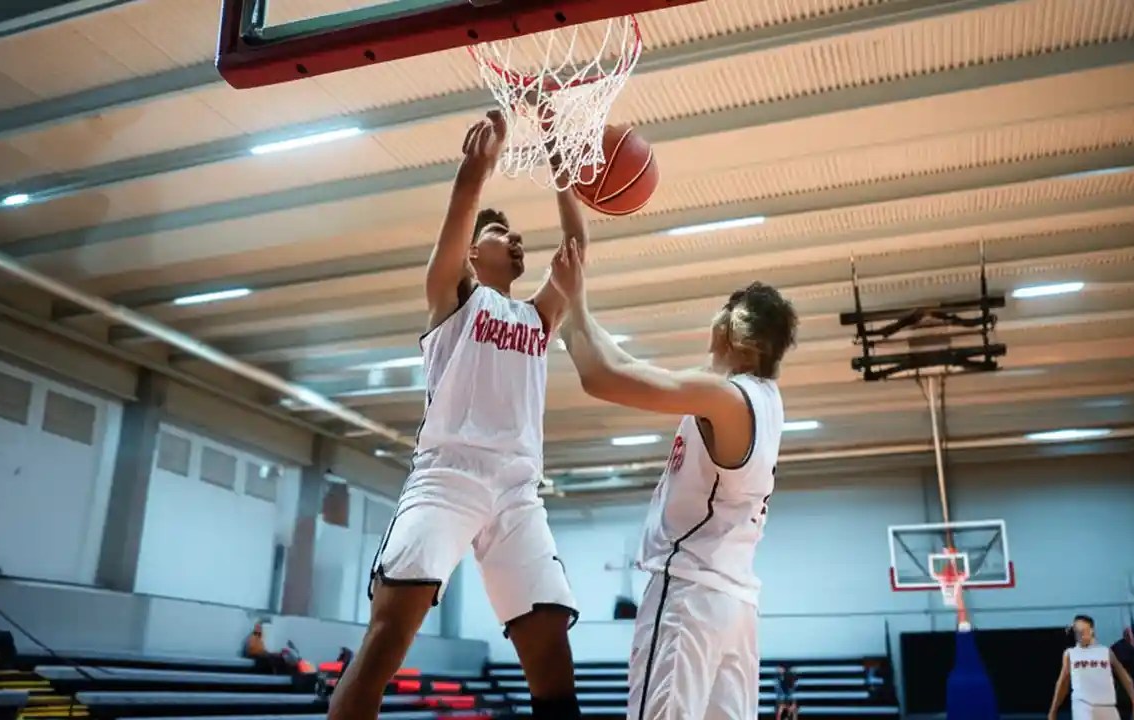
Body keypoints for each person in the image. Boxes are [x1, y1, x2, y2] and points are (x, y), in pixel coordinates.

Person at [329, 110, 586, 720]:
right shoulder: (454, 296)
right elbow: (465, 197)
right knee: (388, 640)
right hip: (447, 478)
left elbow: (576, 250)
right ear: (472, 251)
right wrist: (478, 167)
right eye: (499, 232)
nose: (515, 239)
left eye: (516, 234)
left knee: (552, 653)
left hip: (517, 492)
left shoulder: (538, 317)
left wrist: (561, 162)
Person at [548, 237, 799, 720]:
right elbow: (625, 364)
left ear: (732, 332)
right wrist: (573, 309)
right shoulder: (762, 398)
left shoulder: (724, 398)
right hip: (735, 605)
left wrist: (573, 301)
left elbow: (602, 378)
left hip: (689, 594)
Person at [1048, 615, 1134, 720]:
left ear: (1091, 631)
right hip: (1083, 705)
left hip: (1107, 706)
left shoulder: (1106, 652)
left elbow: (1127, 680)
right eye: (1078, 632)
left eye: (1083, 631)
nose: (1080, 635)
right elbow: (1062, 683)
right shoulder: (1070, 653)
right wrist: (1053, 710)